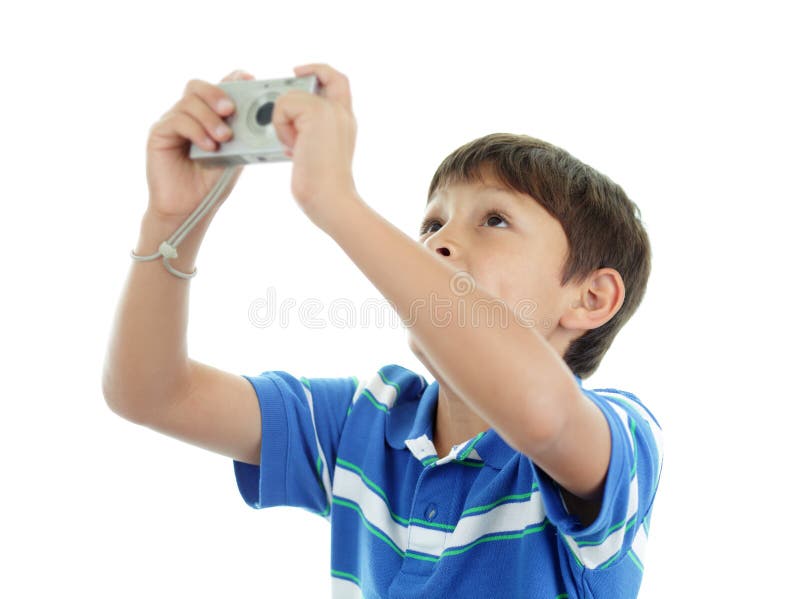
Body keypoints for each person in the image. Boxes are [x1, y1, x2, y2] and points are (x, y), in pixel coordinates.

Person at [102, 63, 663, 599]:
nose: (438, 242)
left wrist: (335, 201)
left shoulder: (622, 438)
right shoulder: (363, 421)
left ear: (592, 298)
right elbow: (150, 392)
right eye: (431, 224)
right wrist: (171, 223)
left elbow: (542, 412)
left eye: (494, 220)